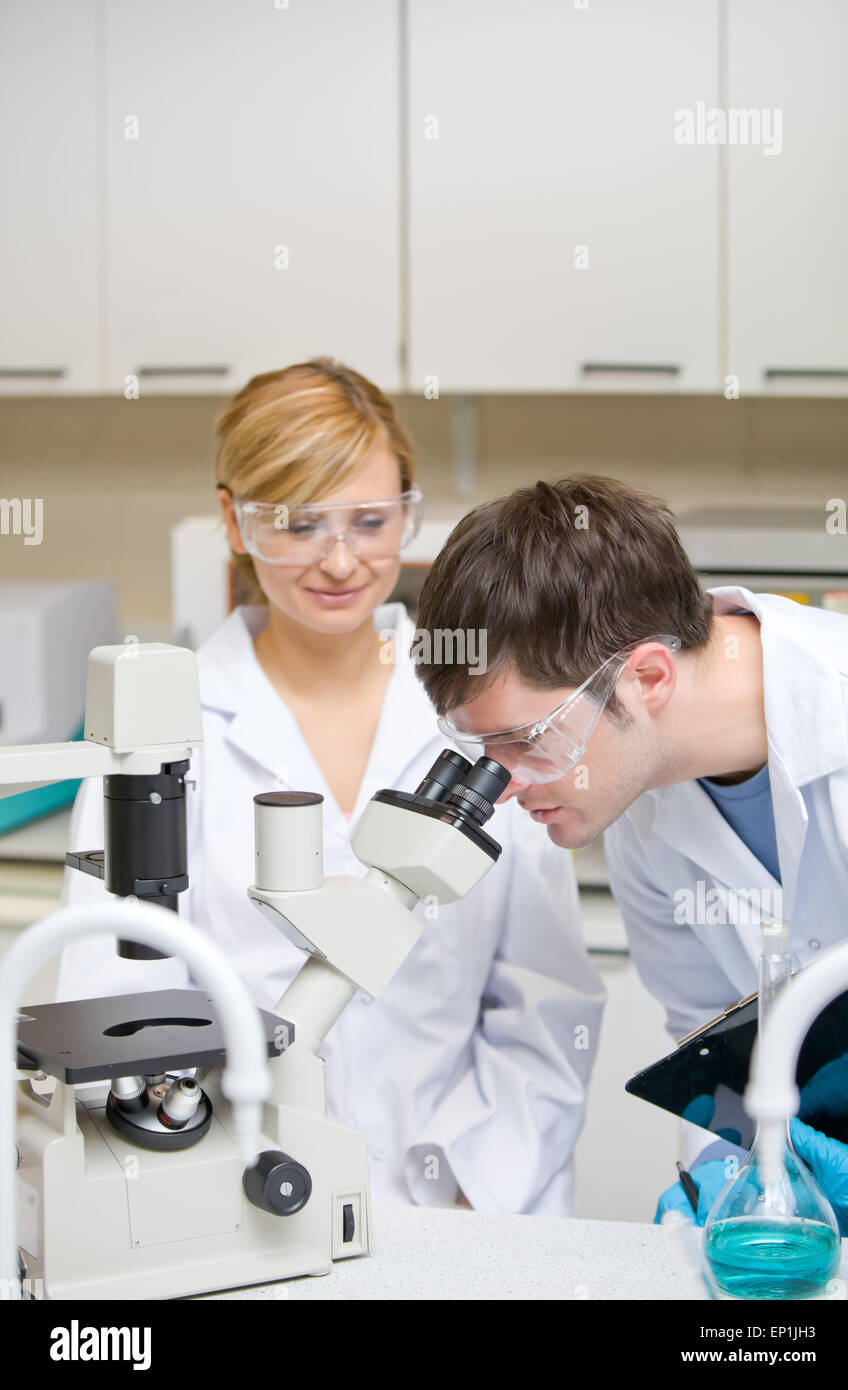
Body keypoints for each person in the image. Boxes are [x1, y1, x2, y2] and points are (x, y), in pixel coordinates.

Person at [55, 360, 605, 1216]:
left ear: (408, 514)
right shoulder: (159, 730)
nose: (342, 561)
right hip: (235, 1192)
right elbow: (114, 991)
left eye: (372, 521)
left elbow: (545, 1000)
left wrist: (470, 1194)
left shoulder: (487, 707)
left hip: (461, 1204)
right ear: (235, 521)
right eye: (301, 524)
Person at [412, 472, 848, 1233]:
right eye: (482, 749)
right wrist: (727, 1174)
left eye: (525, 740)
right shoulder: (633, 797)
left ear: (648, 677)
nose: (505, 786)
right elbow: (715, 1043)